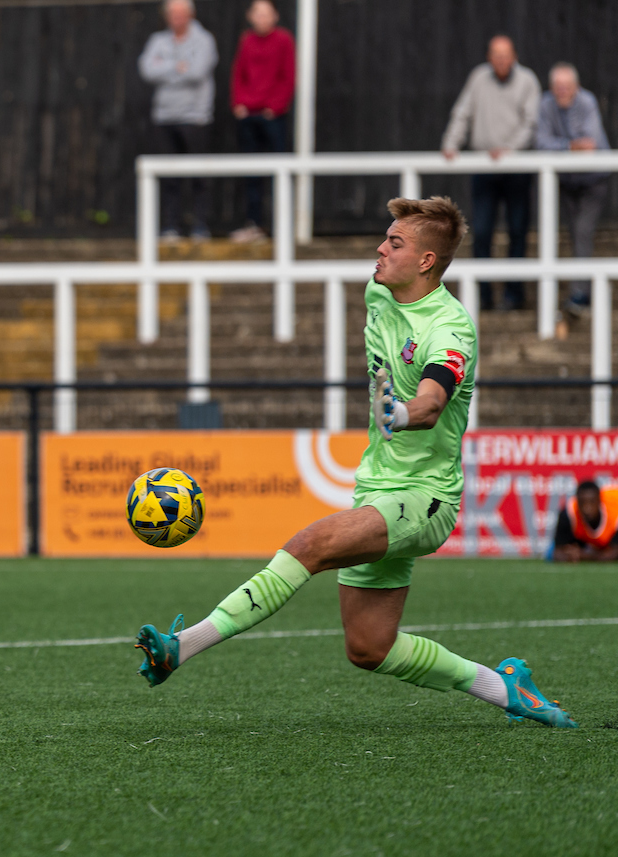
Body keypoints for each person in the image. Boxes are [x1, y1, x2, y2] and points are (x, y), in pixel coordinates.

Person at [135, 196, 578, 729]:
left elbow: (434, 402)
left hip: (425, 497)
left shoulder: (451, 328)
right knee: (369, 646)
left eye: (395, 243)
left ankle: (181, 647)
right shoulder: (379, 291)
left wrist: (402, 412)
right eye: (384, 237)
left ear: (425, 262)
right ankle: (504, 687)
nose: (379, 248)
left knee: (310, 546)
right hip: (378, 487)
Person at [441, 35, 541, 312]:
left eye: (505, 55)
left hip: (516, 169)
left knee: (518, 232)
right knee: (481, 232)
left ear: (514, 56)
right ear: (488, 57)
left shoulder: (528, 81)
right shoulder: (478, 78)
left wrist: (509, 150)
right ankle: (483, 296)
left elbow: (531, 124)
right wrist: (451, 144)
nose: (501, 60)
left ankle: (514, 295)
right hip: (484, 169)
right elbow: (463, 112)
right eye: (496, 55)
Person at [138, 0, 219, 241]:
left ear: (191, 15)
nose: (177, 19)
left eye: (181, 14)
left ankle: (200, 227)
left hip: (195, 117)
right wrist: (178, 67)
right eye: (173, 14)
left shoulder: (204, 40)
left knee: (198, 176)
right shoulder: (157, 41)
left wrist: (166, 69)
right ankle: (171, 227)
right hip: (164, 117)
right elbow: (147, 70)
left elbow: (196, 72)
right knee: (169, 177)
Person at [536, 62, 611, 318]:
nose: (562, 92)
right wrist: (569, 146)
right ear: (552, 88)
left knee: (582, 231)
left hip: (593, 181)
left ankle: (580, 294)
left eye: (567, 87)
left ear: (576, 87)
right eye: (558, 87)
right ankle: (580, 293)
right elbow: (541, 142)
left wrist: (565, 146)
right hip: (567, 182)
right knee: (573, 233)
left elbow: (592, 143)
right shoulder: (545, 104)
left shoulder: (587, 102)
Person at [229, 0, 295, 243]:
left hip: (272, 116)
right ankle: (254, 225)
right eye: (257, 13)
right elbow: (239, 73)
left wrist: (274, 107)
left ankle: (281, 226)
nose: (262, 18)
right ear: (250, 16)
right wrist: (239, 104)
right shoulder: (246, 40)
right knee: (251, 174)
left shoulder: (284, 40)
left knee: (279, 171)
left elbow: (287, 76)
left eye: (266, 13)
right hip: (248, 114)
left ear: (275, 15)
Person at [551, 480, 618, 563]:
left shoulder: (615, 513)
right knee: (548, 554)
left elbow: (614, 554)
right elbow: (557, 552)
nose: (587, 509)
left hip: (608, 542)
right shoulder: (569, 512)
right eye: (583, 503)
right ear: (577, 502)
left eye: (592, 502)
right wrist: (569, 555)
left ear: (600, 501)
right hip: (589, 544)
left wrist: (584, 555)